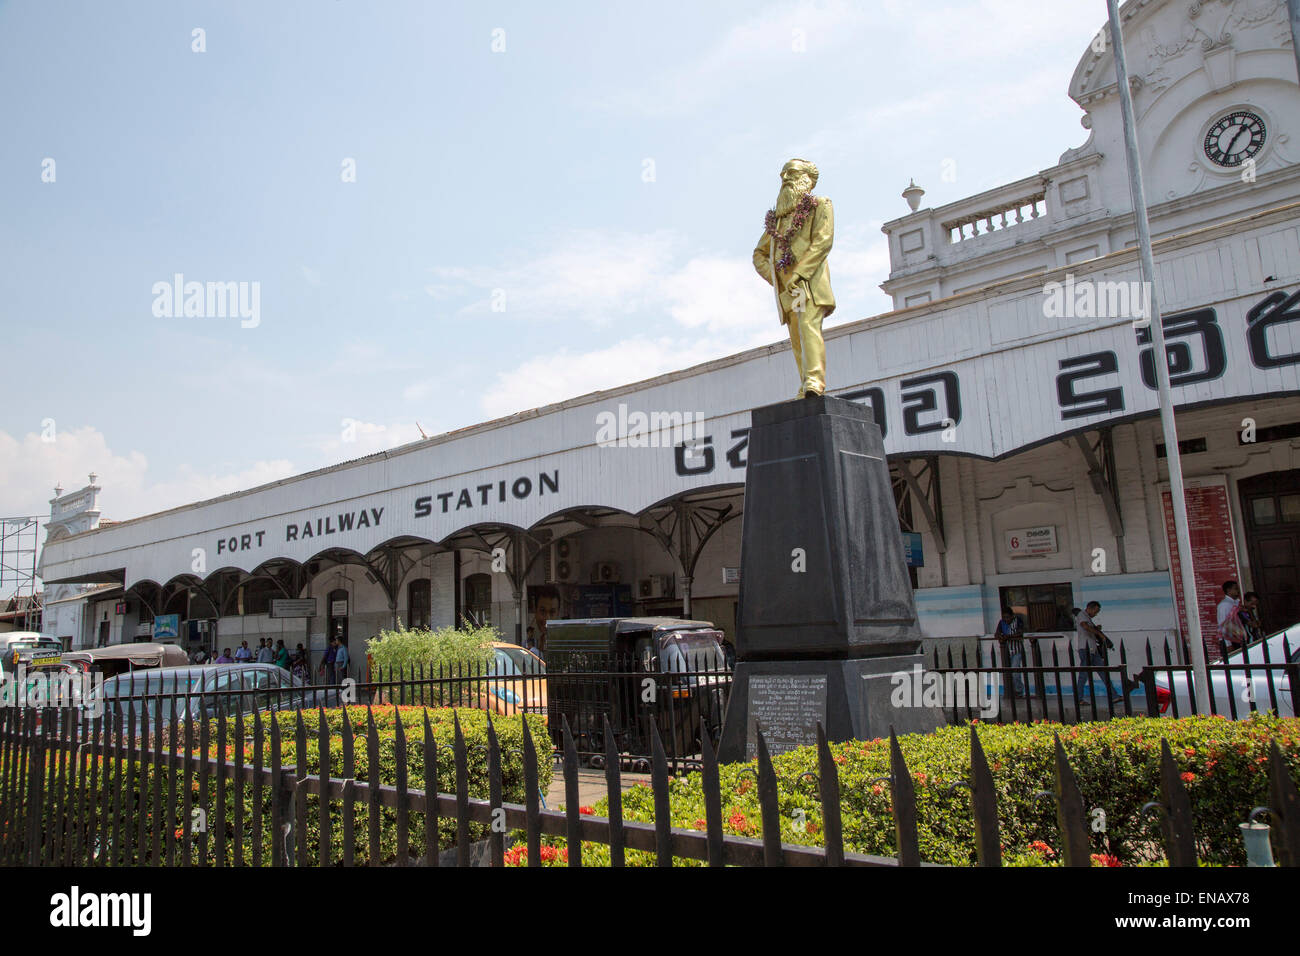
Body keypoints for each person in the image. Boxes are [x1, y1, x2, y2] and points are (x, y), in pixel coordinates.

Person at [1073, 601, 1120, 703]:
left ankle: (1114, 696)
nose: (1096, 614)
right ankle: (1079, 698)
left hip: (1093, 650)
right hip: (1086, 649)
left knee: (1103, 673)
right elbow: (1084, 626)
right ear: (1091, 608)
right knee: (1083, 675)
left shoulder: (1087, 618)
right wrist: (1099, 633)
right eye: (1096, 611)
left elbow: (1087, 627)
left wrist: (1095, 628)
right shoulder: (1082, 615)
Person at [994, 606, 1029, 698]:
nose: (1006, 619)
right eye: (1004, 617)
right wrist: (1000, 636)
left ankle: (1019, 691)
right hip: (1006, 651)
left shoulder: (1018, 621)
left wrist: (1008, 636)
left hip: (1017, 650)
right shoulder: (1002, 623)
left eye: (1008, 617)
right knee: (1007, 673)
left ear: (1012, 616)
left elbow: (1020, 633)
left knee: (1015, 671)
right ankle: (1011, 691)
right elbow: (996, 634)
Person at [1217, 580, 1246, 656]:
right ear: (1229, 590)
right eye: (1236, 589)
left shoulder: (1234, 603)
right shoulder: (1224, 605)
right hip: (1231, 641)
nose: (1238, 591)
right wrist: (1228, 644)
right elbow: (1222, 624)